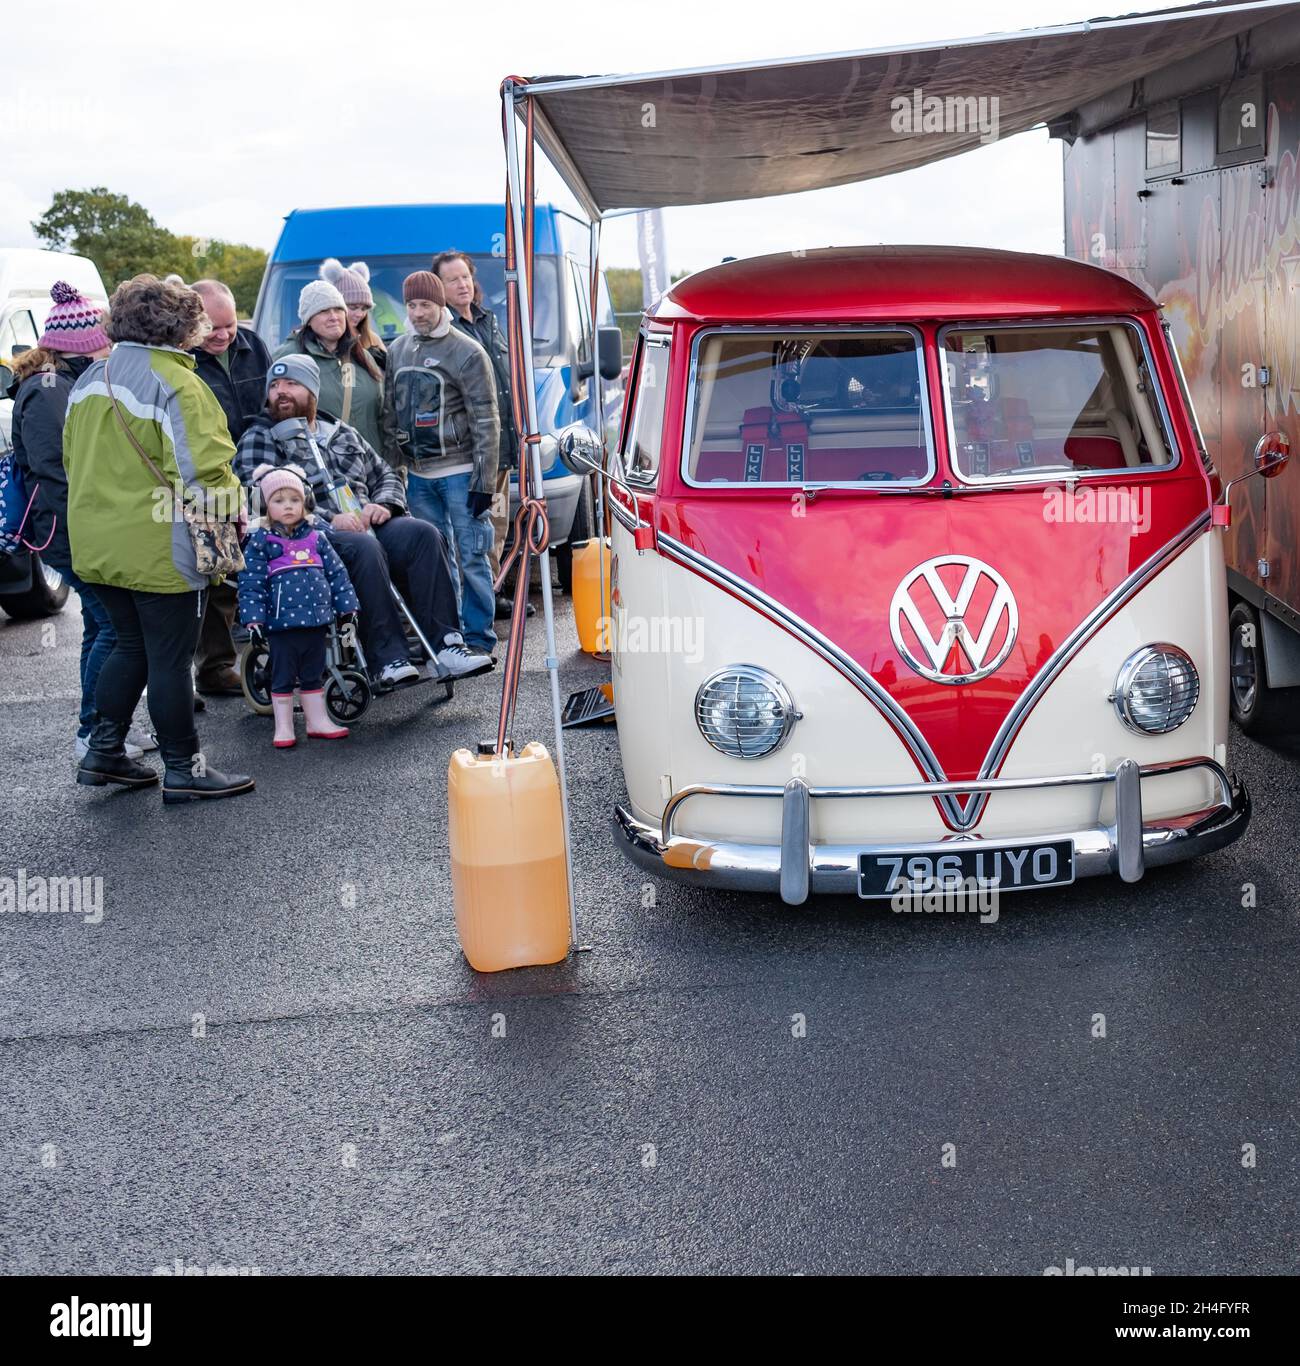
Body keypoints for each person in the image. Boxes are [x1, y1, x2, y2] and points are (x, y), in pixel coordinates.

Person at [62, 274, 253, 803]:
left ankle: (105, 750)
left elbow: (72, 461)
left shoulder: (88, 380)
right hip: (160, 542)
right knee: (170, 659)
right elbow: (205, 475)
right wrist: (238, 515)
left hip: (98, 541)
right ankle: (184, 768)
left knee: (129, 646)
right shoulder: (178, 382)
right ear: (181, 325)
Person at [233, 354, 492, 683]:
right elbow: (261, 498)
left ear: (312, 392)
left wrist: (383, 504)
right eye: (275, 385)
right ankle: (388, 658)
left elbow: (385, 474)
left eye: (292, 384)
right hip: (309, 539)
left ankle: (447, 646)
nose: (281, 391)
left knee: (424, 534)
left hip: (370, 522)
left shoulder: (342, 434)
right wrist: (327, 519)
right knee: (362, 549)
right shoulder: (261, 438)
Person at [7, 283, 155, 761]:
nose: (110, 346)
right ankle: (96, 733)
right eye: (103, 338)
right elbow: (55, 469)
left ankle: (101, 729)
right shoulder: (50, 390)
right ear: (82, 343)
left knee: (101, 624)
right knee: (114, 626)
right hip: (67, 528)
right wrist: (89, 528)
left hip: (76, 525)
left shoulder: (65, 381)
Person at [384, 271, 499, 655]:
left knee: (471, 553)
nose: (418, 312)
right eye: (412, 305)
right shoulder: (397, 350)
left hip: (460, 471)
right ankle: (446, 636)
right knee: (435, 562)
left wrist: (483, 481)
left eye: (426, 305)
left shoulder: (466, 351)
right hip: (417, 477)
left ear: (441, 305)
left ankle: (479, 636)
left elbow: (486, 418)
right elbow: (389, 414)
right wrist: (393, 473)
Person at [431, 249, 529, 620]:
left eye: (466, 276)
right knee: (474, 529)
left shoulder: (488, 321)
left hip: (501, 446)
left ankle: (492, 591)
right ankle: (478, 602)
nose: (462, 284)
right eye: (452, 279)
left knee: (499, 525)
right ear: (439, 288)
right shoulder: (445, 331)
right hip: (471, 452)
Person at [188, 278, 274, 697]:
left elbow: (270, 401)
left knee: (262, 559)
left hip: (258, 470)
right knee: (219, 574)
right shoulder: (183, 359)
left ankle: (276, 650)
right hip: (211, 481)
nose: (222, 335)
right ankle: (216, 666)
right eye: (212, 328)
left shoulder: (253, 345)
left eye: (229, 326)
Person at [238, 463, 358, 748]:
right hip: (281, 625)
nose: (288, 507)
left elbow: (337, 574)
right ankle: (283, 726)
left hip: (316, 621)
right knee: (282, 675)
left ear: (306, 502)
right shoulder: (261, 541)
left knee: (313, 673)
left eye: (294, 500)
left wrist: (347, 607)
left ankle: (317, 721)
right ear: (266, 506)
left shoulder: (317, 538)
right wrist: (254, 620)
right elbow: (251, 582)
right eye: (278, 501)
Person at [273, 266, 389, 459]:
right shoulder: (288, 358)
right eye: (324, 311)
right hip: (319, 471)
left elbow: (383, 414)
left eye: (338, 309)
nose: (334, 317)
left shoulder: (363, 356)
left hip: (369, 469)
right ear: (308, 320)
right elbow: (276, 420)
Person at [321, 260, 386, 370]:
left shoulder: (372, 339)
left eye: (364, 308)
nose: (359, 314)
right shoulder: (321, 341)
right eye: (353, 307)